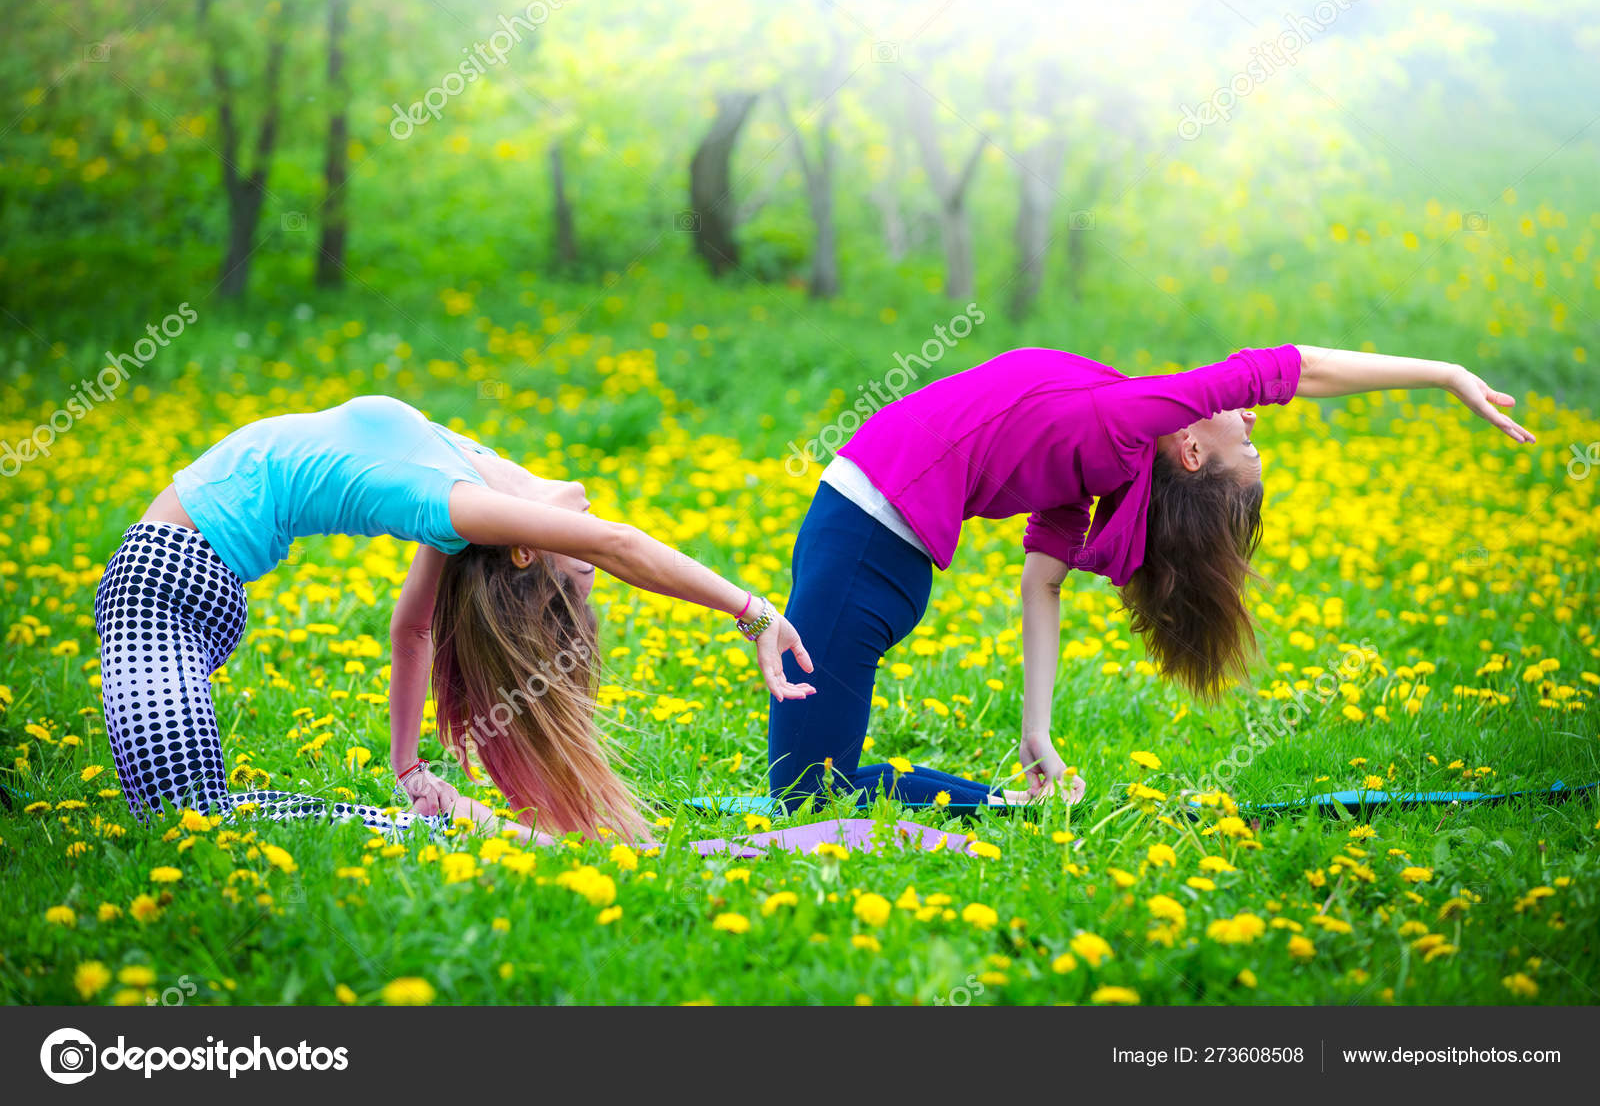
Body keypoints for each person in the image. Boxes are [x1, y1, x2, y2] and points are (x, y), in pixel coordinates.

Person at [769, 343, 1533, 812]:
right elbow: (1044, 582)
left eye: (1248, 445)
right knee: (810, 784)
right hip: (870, 536)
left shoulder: (1129, 419)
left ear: (1195, 451)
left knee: (805, 795)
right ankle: (1009, 805)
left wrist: (1442, 375)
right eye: (1254, 436)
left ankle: (1005, 809)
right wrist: (1035, 730)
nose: (1252, 420)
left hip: (868, 540)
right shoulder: (1107, 438)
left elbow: (1296, 369)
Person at [95, 394, 813, 845]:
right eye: (579, 565)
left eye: (579, 566)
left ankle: (446, 831)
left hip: (170, 587)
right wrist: (752, 612)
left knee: (187, 818)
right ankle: (458, 830)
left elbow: (413, 632)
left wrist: (409, 767)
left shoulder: (455, 504)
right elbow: (618, 544)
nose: (587, 520)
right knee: (184, 815)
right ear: (530, 546)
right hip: (169, 581)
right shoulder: (461, 480)